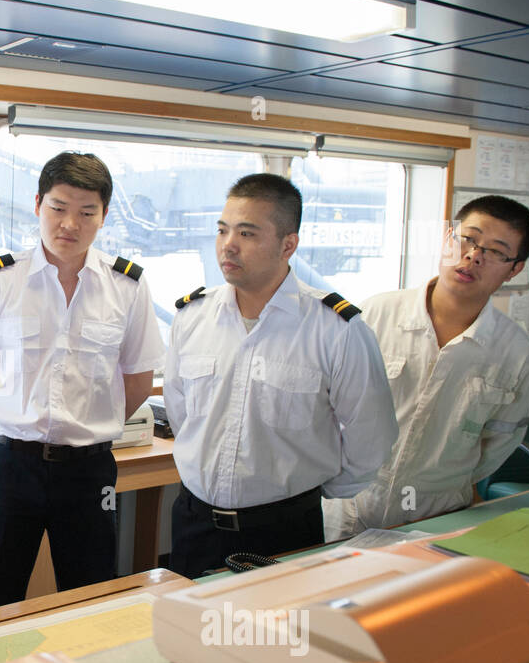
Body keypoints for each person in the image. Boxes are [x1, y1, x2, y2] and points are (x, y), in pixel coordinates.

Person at [163, 173, 397, 576]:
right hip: (195, 522)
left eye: (247, 233)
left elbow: (370, 436)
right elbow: (182, 414)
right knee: (190, 633)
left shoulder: (335, 328)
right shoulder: (192, 317)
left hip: (283, 529)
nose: (228, 245)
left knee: (277, 636)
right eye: (222, 230)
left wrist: (310, 493)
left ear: (288, 245)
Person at [0, 152, 164, 609]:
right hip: (8, 465)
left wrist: (92, 421)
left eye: (86, 212)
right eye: (58, 208)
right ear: (37, 205)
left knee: (90, 596)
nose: (69, 224)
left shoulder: (127, 286)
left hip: (87, 469)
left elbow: (136, 380)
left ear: (104, 216)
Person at [330, 195, 529, 535]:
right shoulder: (375, 315)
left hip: (438, 511)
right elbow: (327, 406)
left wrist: (444, 483)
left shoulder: (515, 352)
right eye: (467, 239)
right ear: (447, 240)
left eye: (496, 251)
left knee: (424, 588)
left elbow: (501, 440)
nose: (473, 256)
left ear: (515, 268)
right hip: (349, 501)